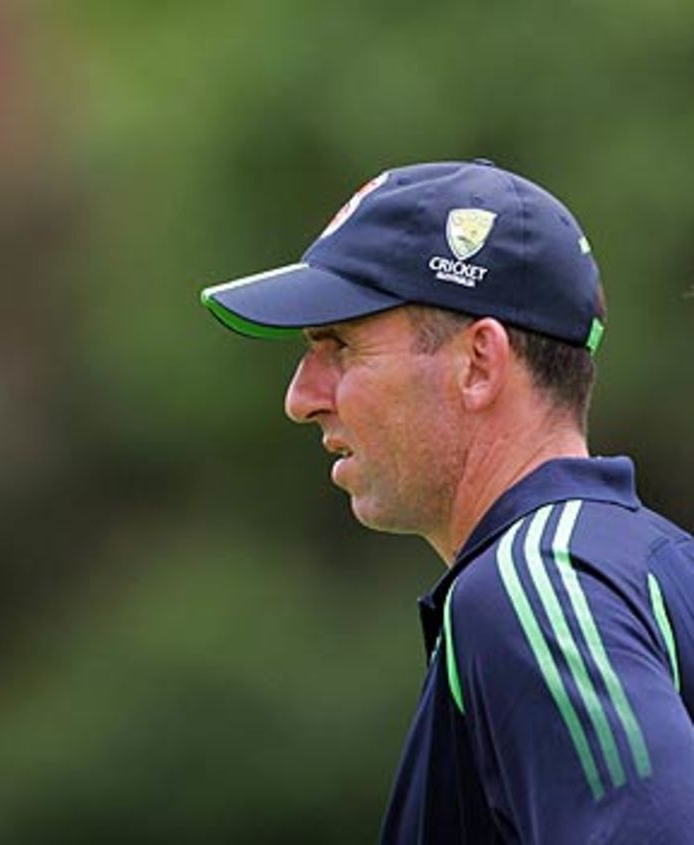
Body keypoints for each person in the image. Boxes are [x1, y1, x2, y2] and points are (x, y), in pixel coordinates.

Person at [200, 159, 694, 843]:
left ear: (478, 364)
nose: (300, 398)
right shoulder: (654, 566)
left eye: (338, 344)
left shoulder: (533, 585)